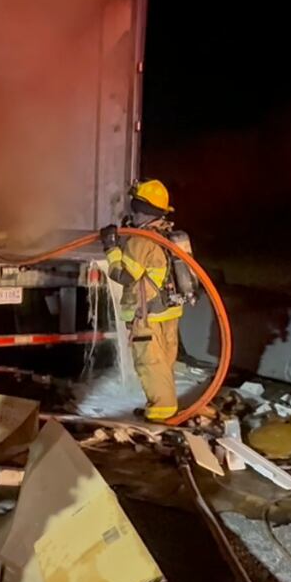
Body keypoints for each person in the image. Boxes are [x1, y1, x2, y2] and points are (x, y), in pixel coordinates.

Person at [100, 179, 183, 423]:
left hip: (148, 316)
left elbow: (123, 275)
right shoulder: (168, 235)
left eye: (135, 210)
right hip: (169, 311)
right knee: (164, 363)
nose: (132, 215)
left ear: (142, 210)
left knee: (150, 364)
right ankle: (161, 405)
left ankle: (161, 413)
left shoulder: (142, 240)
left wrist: (111, 248)